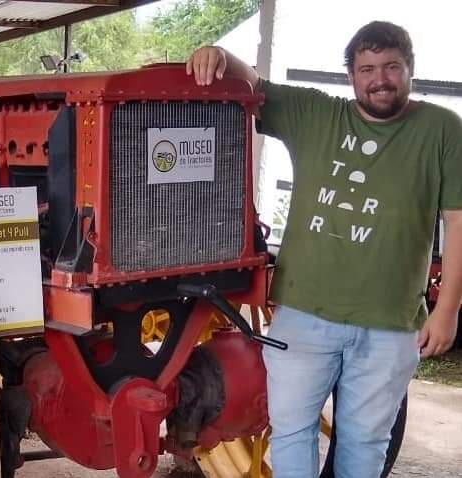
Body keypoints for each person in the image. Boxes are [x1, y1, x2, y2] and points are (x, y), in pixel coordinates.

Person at [186, 21, 462, 478]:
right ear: (351, 75)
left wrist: (447, 308)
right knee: (292, 432)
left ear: (410, 69)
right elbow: (251, 82)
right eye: (367, 69)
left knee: (366, 440)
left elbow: (458, 220)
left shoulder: (442, 129)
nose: (380, 79)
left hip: (390, 322)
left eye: (392, 67)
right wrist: (216, 53)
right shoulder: (315, 113)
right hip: (304, 315)